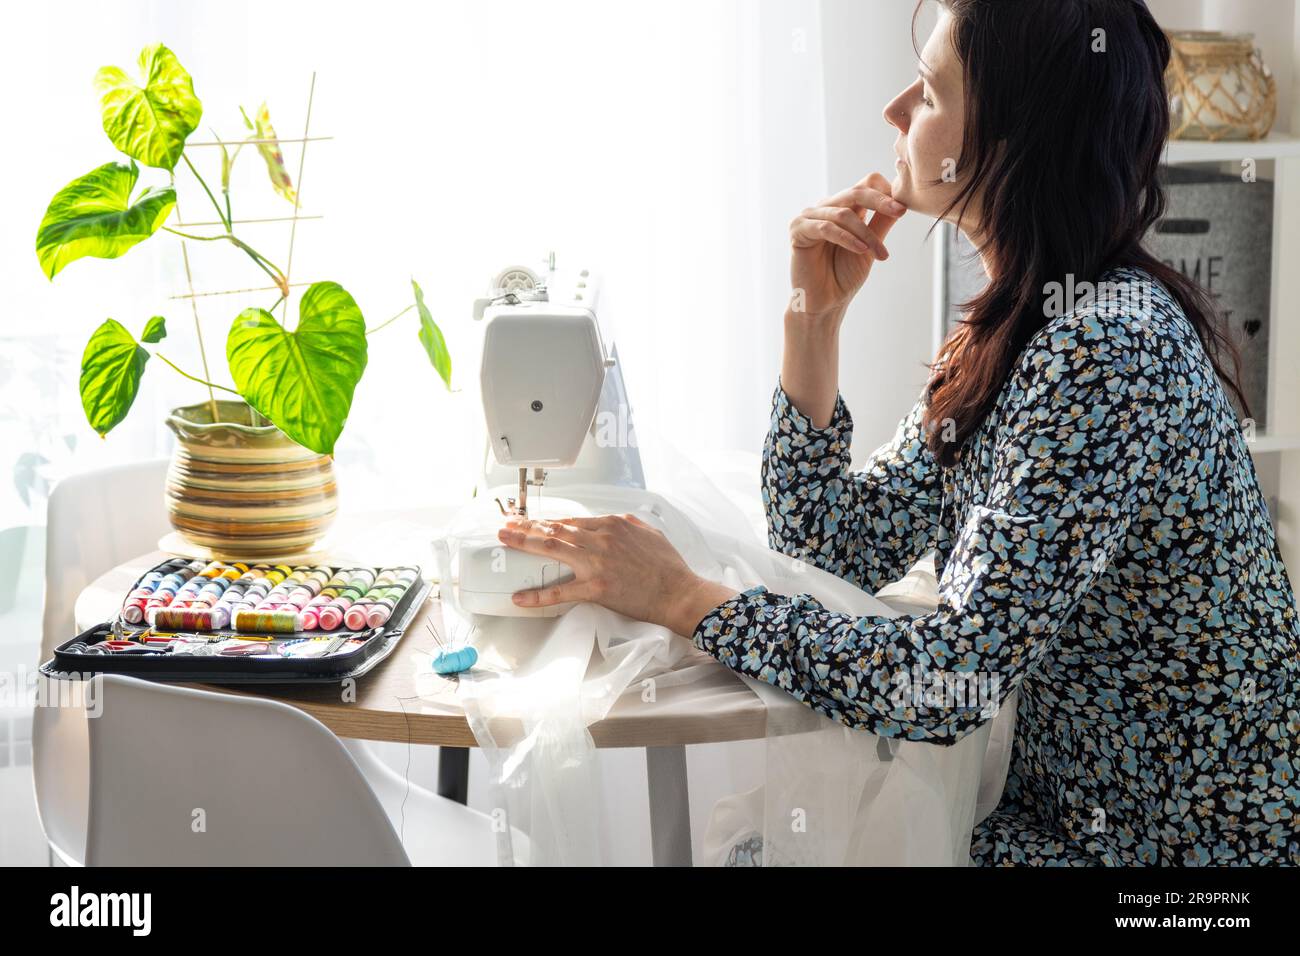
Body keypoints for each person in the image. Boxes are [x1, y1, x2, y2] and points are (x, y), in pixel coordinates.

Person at [498, 0, 1300, 865]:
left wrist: (681, 598)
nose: (893, 111)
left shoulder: (1104, 349)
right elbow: (833, 549)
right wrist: (814, 321)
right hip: (1063, 825)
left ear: (1015, 138)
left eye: (926, 88)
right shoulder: (1026, 328)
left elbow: (951, 678)